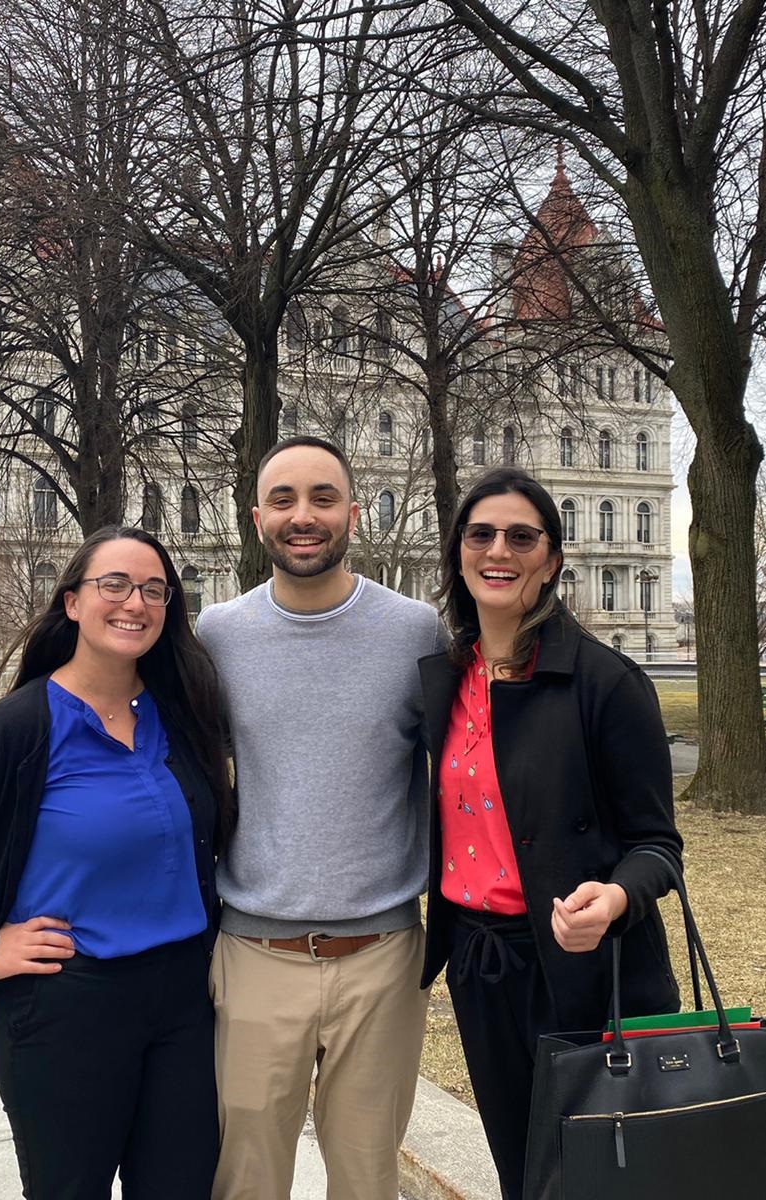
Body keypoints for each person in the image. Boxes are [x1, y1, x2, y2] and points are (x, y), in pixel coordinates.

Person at [0, 527, 231, 1199]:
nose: (134, 603)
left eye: (153, 590)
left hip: (182, 1005)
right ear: (72, 603)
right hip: (66, 1009)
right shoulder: (20, 729)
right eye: (113, 584)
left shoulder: (178, 714)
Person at [417, 467, 683, 1199]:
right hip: (479, 964)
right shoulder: (445, 678)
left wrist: (616, 898)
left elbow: (659, 847)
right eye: (481, 534)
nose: (499, 550)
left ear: (552, 560)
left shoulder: (605, 682)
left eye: (521, 536)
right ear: (459, 555)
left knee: (595, 1178)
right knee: (521, 1170)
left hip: (582, 970)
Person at [194, 436, 443, 1200]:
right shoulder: (216, 637)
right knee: (245, 1181)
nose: (304, 516)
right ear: (257, 517)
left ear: (354, 515)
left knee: (367, 1182)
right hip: (255, 953)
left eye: (323, 498)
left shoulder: (415, 632)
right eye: (284, 500)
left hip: (382, 954)